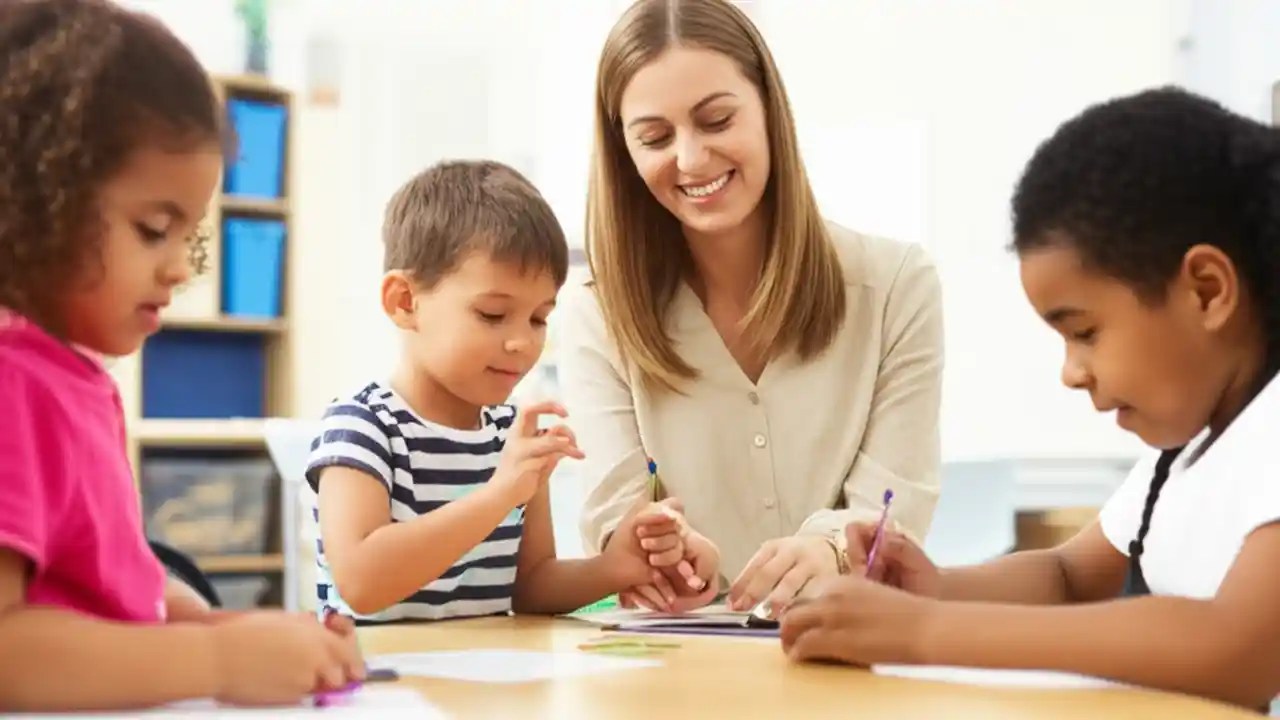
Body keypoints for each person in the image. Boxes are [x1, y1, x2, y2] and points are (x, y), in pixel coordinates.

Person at [780, 87, 1280, 712]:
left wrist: (924, 631)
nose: (1071, 373)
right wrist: (931, 591)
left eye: (1085, 333)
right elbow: (1068, 578)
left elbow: (1238, 649)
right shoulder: (1184, 454)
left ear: (1206, 291)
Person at [0, 0, 363, 712]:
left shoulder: (71, 381)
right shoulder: (13, 383)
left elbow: (94, 583)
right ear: (35, 200)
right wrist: (216, 659)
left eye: (187, 236)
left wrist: (218, 627)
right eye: (152, 229)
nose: (178, 269)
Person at [556, 0, 945, 613]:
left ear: (769, 110)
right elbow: (615, 518)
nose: (690, 159)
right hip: (676, 657)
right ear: (624, 152)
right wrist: (662, 554)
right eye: (655, 138)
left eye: (716, 121)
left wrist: (829, 551)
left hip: (846, 643)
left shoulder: (896, 286)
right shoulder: (597, 317)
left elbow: (894, 504)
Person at [305, 160, 681, 624]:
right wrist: (499, 496)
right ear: (404, 302)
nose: (522, 342)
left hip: (486, 668)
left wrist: (615, 567)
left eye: (538, 318)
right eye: (492, 315)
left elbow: (532, 586)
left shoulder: (510, 436)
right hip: (373, 670)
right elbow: (362, 584)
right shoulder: (361, 427)